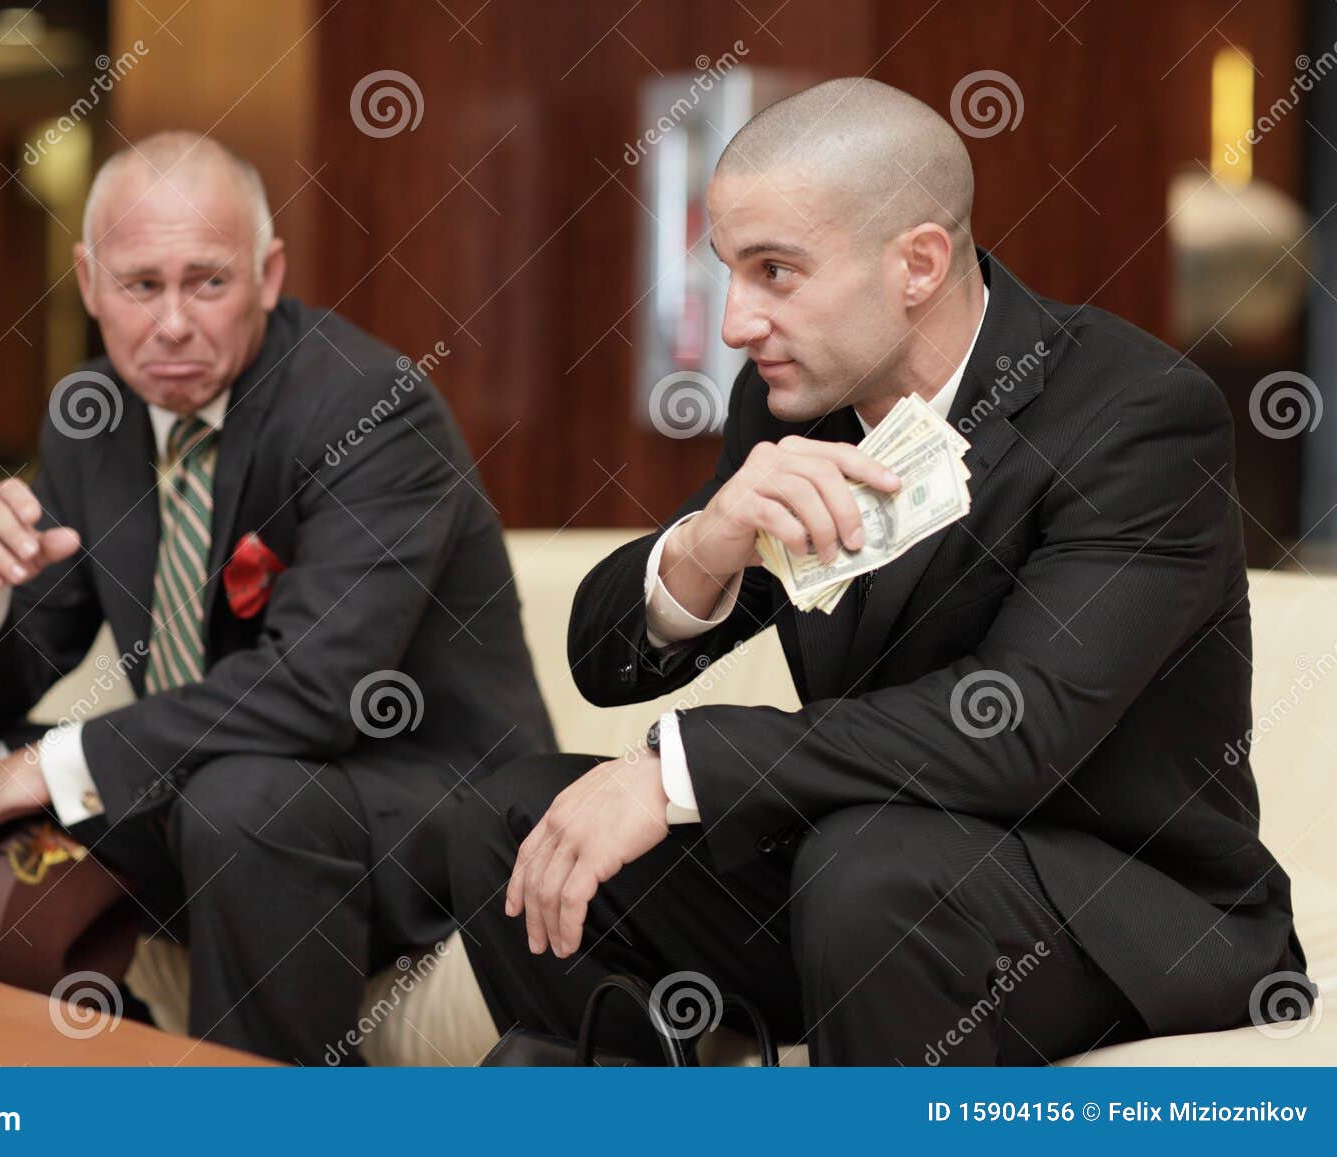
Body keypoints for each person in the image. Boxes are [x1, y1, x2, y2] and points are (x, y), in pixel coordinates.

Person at [449, 79, 1310, 1065]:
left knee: (869, 869)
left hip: (1112, 902)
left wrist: (680, 770)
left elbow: (1016, 724)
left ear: (917, 264)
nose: (735, 323)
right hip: (855, 862)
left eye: (775, 271)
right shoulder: (791, 401)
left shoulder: (1136, 415)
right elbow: (609, 664)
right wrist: (703, 541)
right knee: (510, 814)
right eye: (728, 270)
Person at [0, 131, 555, 1064]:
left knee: (240, 798)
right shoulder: (94, 417)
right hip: (216, 791)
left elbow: (318, 688)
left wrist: (68, 760)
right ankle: (99, 1075)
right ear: (87, 280)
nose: (172, 324)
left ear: (270, 275)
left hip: (428, 809)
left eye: (208, 281)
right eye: (140, 285)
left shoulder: (370, 406)